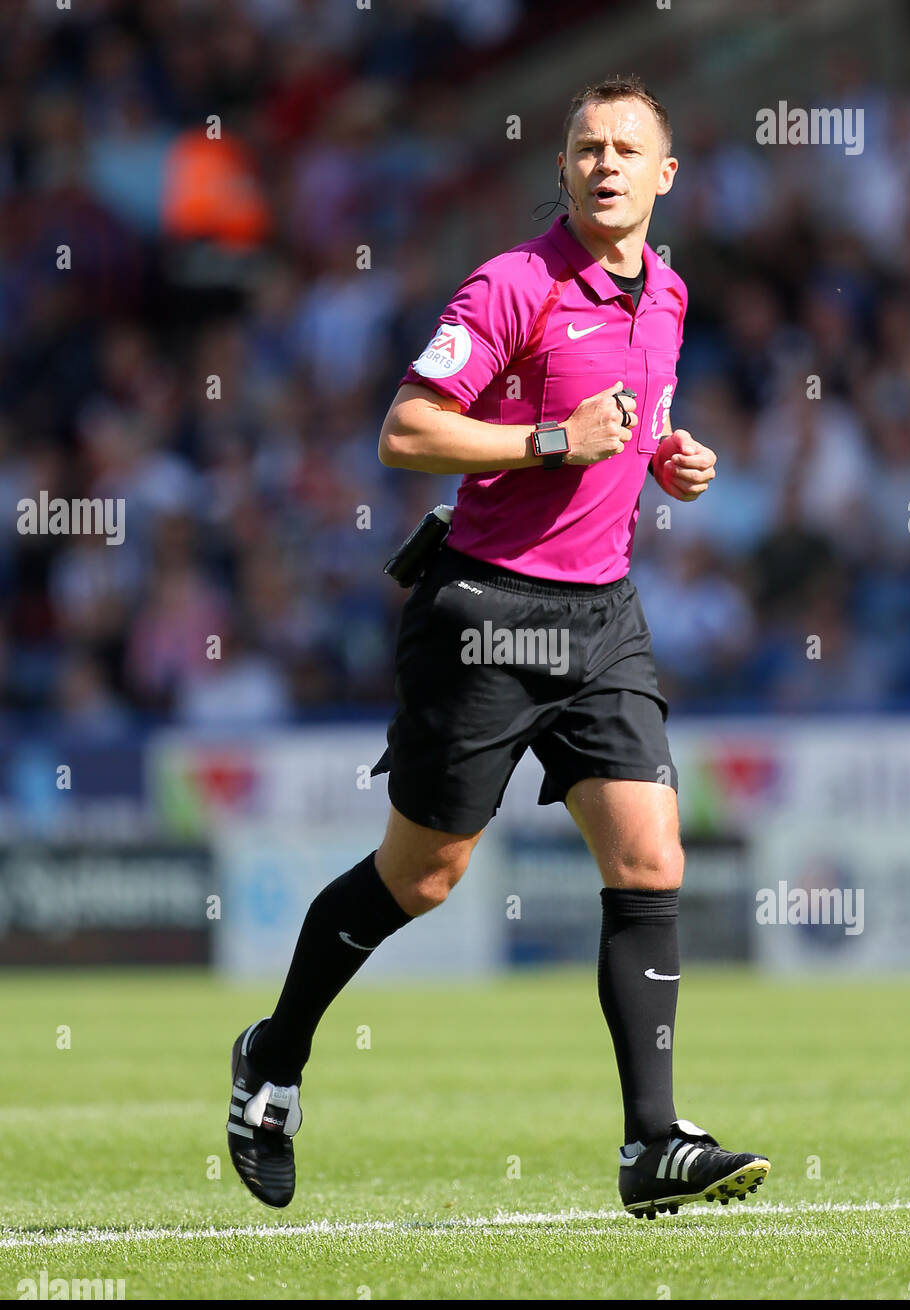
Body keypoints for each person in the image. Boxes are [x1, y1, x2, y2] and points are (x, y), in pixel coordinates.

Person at [226, 74, 771, 1218]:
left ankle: (652, 1142)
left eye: (628, 148)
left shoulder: (667, 292)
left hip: (604, 614)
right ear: (563, 168)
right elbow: (407, 429)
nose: (605, 163)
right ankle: (272, 1060)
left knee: (651, 859)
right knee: (423, 875)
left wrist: (666, 458)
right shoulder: (514, 282)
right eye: (585, 147)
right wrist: (549, 438)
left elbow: (630, 421)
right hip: (485, 612)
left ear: (666, 175)